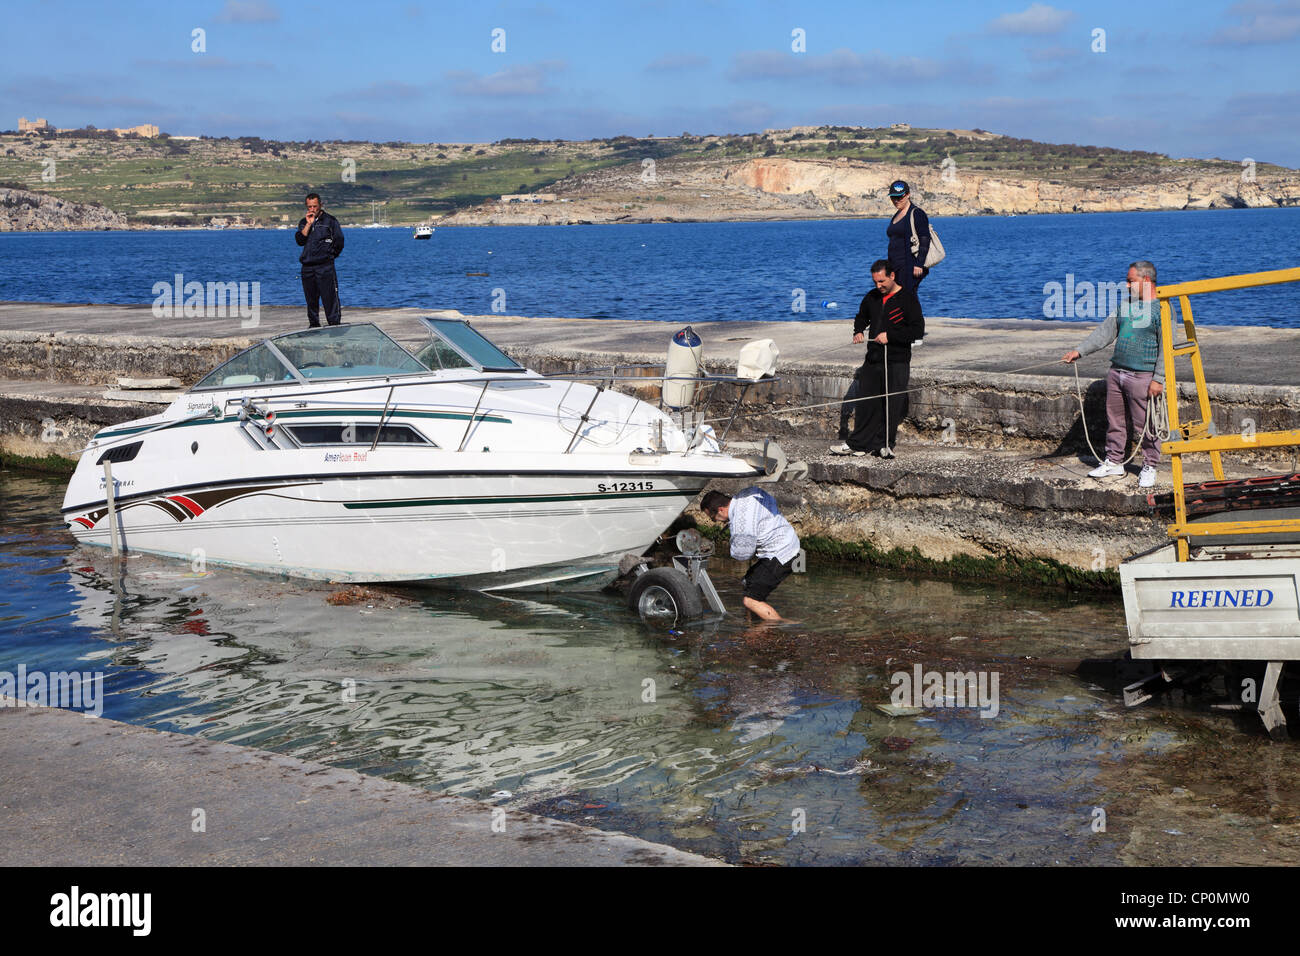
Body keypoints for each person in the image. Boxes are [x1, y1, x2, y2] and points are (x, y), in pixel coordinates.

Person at [1061, 260, 1165, 489]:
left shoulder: (1162, 309)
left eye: (1131, 281)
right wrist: (1079, 351)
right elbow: (1104, 333)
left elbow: (1167, 346)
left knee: (1146, 424)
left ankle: (1150, 465)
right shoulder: (1125, 306)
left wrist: (1158, 378)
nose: (1127, 286)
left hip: (1143, 376)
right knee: (1114, 421)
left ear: (1146, 280)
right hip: (1117, 372)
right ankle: (1115, 461)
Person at [831, 260, 924, 457]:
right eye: (875, 282)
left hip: (897, 360)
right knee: (866, 402)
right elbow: (861, 316)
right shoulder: (872, 297)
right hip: (873, 359)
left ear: (892, 276)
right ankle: (858, 444)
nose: (878, 286)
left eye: (881, 281)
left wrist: (891, 336)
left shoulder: (908, 299)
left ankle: (884, 444)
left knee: (891, 404)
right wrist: (858, 331)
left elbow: (917, 330)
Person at [701, 487, 800, 622]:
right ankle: (752, 626)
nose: (717, 522)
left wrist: (727, 545)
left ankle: (785, 628)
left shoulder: (740, 523)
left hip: (782, 553)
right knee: (747, 583)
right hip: (791, 543)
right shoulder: (748, 493)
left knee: (750, 600)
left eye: (713, 519)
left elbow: (742, 554)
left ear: (721, 510)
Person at [295, 192, 345, 327]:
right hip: (307, 267)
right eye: (309, 207)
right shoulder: (303, 222)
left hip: (325, 266)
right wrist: (308, 224)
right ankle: (314, 325)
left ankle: (334, 325)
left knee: (329, 298)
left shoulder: (330, 221)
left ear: (320, 205)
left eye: (315, 206)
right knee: (311, 299)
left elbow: (339, 242)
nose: (312, 209)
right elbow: (300, 240)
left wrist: (329, 256)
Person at [885, 180, 930, 302]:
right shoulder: (897, 215)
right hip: (895, 266)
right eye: (893, 197)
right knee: (899, 298)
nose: (896, 200)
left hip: (910, 265)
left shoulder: (916, 213)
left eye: (900, 197)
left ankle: (915, 321)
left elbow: (925, 239)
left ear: (908, 195)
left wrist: (919, 264)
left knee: (908, 297)